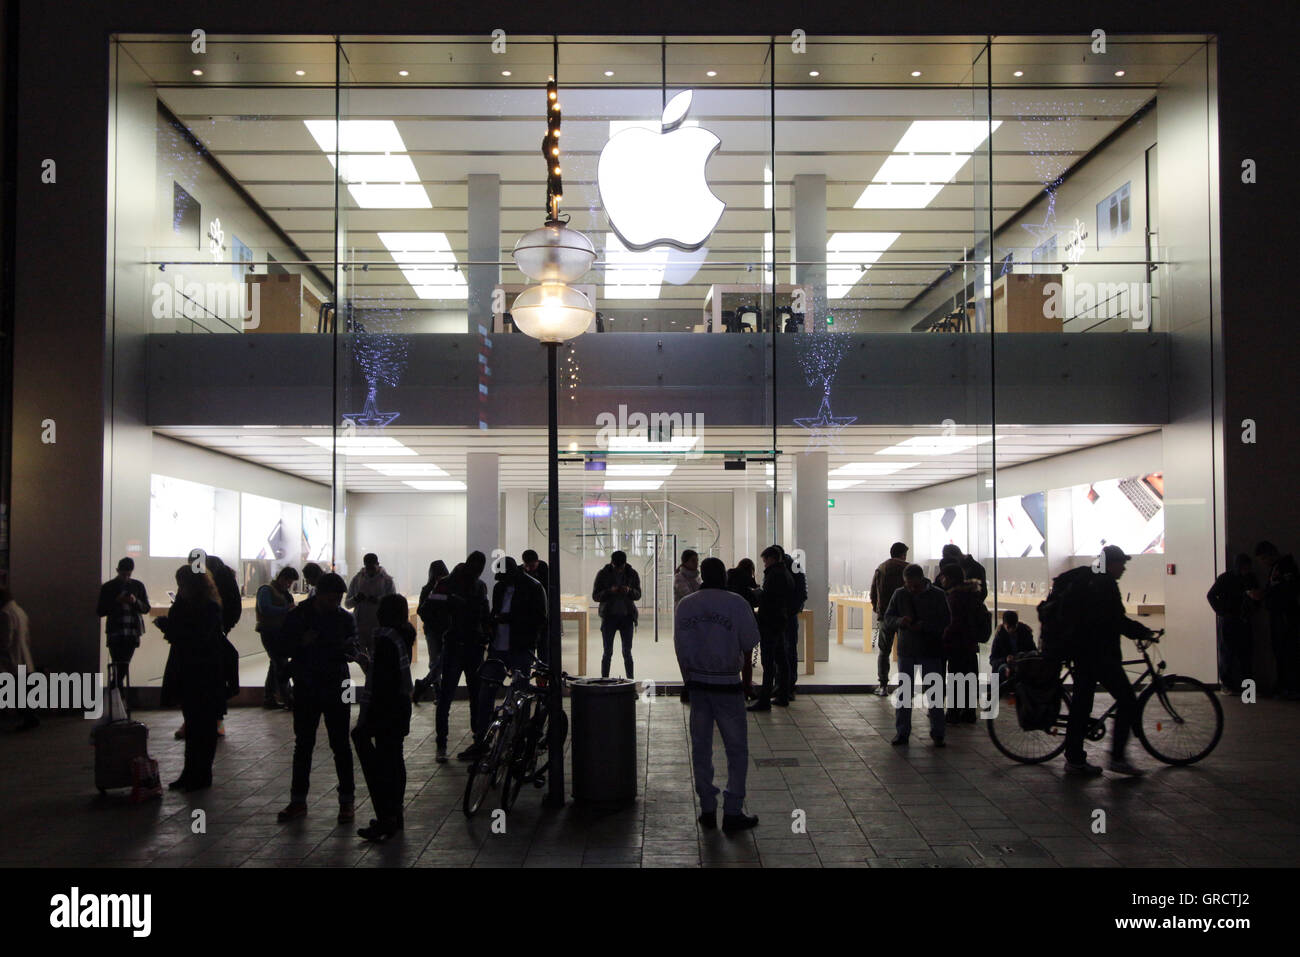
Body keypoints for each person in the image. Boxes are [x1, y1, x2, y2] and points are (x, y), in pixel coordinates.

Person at [675, 557, 761, 834]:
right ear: (723, 576)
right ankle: (733, 810)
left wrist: (687, 681)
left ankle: (708, 809)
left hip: (698, 684)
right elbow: (749, 643)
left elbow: (680, 647)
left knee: (701, 748)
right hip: (727, 685)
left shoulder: (686, 606)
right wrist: (747, 682)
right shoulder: (736, 603)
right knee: (736, 749)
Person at [276, 572, 362, 823]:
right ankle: (298, 800)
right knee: (304, 744)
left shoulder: (342, 618)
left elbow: (353, 645)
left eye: (338, 599)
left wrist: (350, 650)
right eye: (331, 599)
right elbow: (283, 647)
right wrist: (302, 643)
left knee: (340, 745)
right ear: (319, 595)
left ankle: (345, 802)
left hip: (335, 683)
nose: (334, 604)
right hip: (308, 684)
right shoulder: (298, 616)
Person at [1061, 545, 1154, 775]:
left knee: (1082, 705)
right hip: (1100, 655)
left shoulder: (1090, 580)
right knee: (1128, 701)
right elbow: (1115, 619)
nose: (1123, 568)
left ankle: (1074, 758)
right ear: (1111, 563)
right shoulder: (1105, 584)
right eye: (1121, 563)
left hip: (1083, 652)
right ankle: (1117, 758)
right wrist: (1142, 631)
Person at [155, 566, 225, 791]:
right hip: (197, 671)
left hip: (200, 672)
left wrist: (169, 628)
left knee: (200, 725)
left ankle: (199, 773)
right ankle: (193, 773)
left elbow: (195, 637)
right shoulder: (204, 606)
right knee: (196, 724)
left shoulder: (203, 608)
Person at [352, 593, 416, 842]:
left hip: (384, 708)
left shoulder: (385, 639)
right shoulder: (403, 634)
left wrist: (365, 718)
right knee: (394, 759)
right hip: (399, 706)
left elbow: (378, 683)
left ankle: (386, 817)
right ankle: (394, 814)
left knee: (381, 764)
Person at [476, 557, 547, 736]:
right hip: (498, 647)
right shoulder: (500, 587)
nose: (502, 580)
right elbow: (495, 612)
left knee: (520, 695)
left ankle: (518, 736)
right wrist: (492, 623)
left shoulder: (533, 587)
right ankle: (481, 737)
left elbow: (539, 618)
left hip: (520, 647)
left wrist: (511, 619)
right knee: (486, 693)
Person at [883, 564, 951, 746]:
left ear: (922, 580)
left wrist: (925, 626)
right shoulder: (900, 594)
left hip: (930, 650)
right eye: (908, 585)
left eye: (915, 585)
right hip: (907, 651)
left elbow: (945, 621)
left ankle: (938, 733)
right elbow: (888, 618)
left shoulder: (937, 595)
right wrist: (900, 621)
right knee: (905, 692)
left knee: (934, 693)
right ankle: (902, 732)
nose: (912, 589)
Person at [435, 553, 491, 763]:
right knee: (447, 696)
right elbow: (430, 607)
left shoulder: (479, 586)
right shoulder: (447, 584)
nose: (477, 572)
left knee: (476, 694)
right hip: (455, 644)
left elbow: (484, 612)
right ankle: (442, 742)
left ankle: (477, 739)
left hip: (473, 645)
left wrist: (486, 633)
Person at [97, 557, 150, 711]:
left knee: (122, 665)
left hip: (131, 632)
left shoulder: (138, 586)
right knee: (120, 665)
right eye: (123, 574)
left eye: (128, 574)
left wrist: (134, 601)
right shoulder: (108, 587)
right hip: (116, 632)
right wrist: (116, 601)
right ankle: (118, 698)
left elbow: (146, 608)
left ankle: (115, 698)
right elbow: (100, 611)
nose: (126, 577)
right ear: (117, 571)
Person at [1249, 541, 1299, 699]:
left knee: (1286, 651)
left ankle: (1289, 687)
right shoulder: (1279, 568)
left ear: (1271, 554)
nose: (1263, 563)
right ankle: (1284, 685)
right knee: (1281, 651)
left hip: (1284, 616)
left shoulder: (1285, 567)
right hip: (1280, 615)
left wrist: (1264, 594)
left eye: (1264, 559)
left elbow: (1287, 590)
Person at [750, 545, 795, 712]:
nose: (764, 564)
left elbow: (767, 598)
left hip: (770, 622)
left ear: (771, 559)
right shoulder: (786, 574)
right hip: (780, 621)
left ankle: (764, 700)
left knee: (768, 663)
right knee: (782, 660)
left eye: (765, 560)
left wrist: (756, 593)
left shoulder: (774, 575)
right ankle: (783, 695)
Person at [1207, 554, 1258, 695]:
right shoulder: (1233, 578)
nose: (1246, 570)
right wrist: (1223, 612)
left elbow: (1211, 595)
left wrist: (1221, 611)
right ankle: (1236, 686)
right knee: (1231, 654)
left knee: (1242, 655)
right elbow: (1211, 595)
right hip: (1233, 620)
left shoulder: (1228, 578)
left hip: (1237, 619)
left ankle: (1238, 686)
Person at [204, 554, 242, 739]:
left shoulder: (208, 585)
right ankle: (217, 719)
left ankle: (211, 719)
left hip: (211, 638)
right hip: (219, 633)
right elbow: (235, 607)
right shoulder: (226, 578)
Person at [938, 563, 982, 723]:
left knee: (956, 677)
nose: (941, 580)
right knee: (970, 676)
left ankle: (954, 712)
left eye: (943, 576)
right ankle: (969, 712)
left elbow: (953, 622)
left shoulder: (954, 597)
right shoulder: (972, 594)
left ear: (949, 578)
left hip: (956, 643)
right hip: (970, 643)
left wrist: (943, 636)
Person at [592, 550, 642, 679]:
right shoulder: (603, 574)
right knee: (607, 653)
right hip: (609, 618)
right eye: (617, 567)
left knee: (627, 653)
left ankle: (630, 683)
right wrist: (609, 591)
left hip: (627, 618)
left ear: (625, 564)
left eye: (621, 567)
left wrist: (629, 591)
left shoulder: (632, 574)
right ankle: (604, 682)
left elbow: (638, 594)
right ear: (612, 563)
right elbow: (595, 596)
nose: (619, 570)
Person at [255, 566, 299, 709]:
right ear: (282, 578)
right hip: (270, 632)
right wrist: (286, 609)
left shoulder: (282, 593)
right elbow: (265, 608)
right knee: (280, 664)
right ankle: (288, 699)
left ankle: (270, 697)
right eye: (288, 581)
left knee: (276, 664)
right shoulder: (266, 590)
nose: (288, 585)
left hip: (279, 633)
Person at [869, 543, 909, 696]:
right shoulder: (908, 568)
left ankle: (883, 685)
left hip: (885, 616)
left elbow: (874, 591)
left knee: (884, 652)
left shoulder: (882, 568)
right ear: (903, 554)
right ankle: (904, 687)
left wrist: (877, 608)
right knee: (904, 652)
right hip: (904, 617)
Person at [0, 587, 38, 731]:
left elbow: (5, 641)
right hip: (23, 657)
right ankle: (30, 717)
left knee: (16, 691)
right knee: (22, 691)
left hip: (12, 659)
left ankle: (28, 718)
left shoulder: (5, 614)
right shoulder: (20, 611)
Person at [412, 560, 450, 705]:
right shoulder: (429, 589)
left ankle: (428, 687)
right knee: (436, 661)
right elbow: (421, 611)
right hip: (435, 630)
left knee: (439, 662)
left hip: (440, 630)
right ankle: (438, 692)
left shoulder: (447, 588)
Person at [346, 552, 396, 658]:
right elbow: (347, 604)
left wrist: (378, 600)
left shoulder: (387, 580)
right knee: (364, 660)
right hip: (361, 628)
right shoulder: (357, 579)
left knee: (377, 660)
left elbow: (393, 604)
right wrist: (356, 599)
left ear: (378, 564)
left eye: (372, 567)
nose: (370, 571)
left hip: (379, 627)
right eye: (367, 567)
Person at [727, 559, 761, 698]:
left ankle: (731, 685)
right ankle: (747, 687)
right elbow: (754, 601)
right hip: (745, 620)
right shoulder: (747, 582)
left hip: (729, 620)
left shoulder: (729, 577)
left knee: (731, 655)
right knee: (747, 656)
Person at [673, 550, 701, 702]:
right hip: (684, 621)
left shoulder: (697, 577)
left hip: (697, 622)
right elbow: (688, 596)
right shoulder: (679, 577)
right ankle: (689, 686)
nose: (696, 563)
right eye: (693, 560)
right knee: (685, 656)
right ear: (685, 562)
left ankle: (693, 687)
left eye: (697, 560)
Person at [782, 550, 808, 701]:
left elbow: (801, 594)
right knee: (790, 650)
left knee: (787, 650)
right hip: (790, 615)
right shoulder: (795, 568)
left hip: (786, 616)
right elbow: (803, 593)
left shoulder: (781, 570)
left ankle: (786, 686)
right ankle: (789, 686)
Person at [989, 610, 1036, 684]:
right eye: (1009, 627)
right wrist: (1006, 660)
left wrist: (1022, 657)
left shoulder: (1025, 633)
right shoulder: (1000, 636)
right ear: (1004, 625)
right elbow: (992, 660)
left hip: (1022, 664)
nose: (1011, 630)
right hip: (1007, 665)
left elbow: (1033, 652)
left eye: (1014, 627)